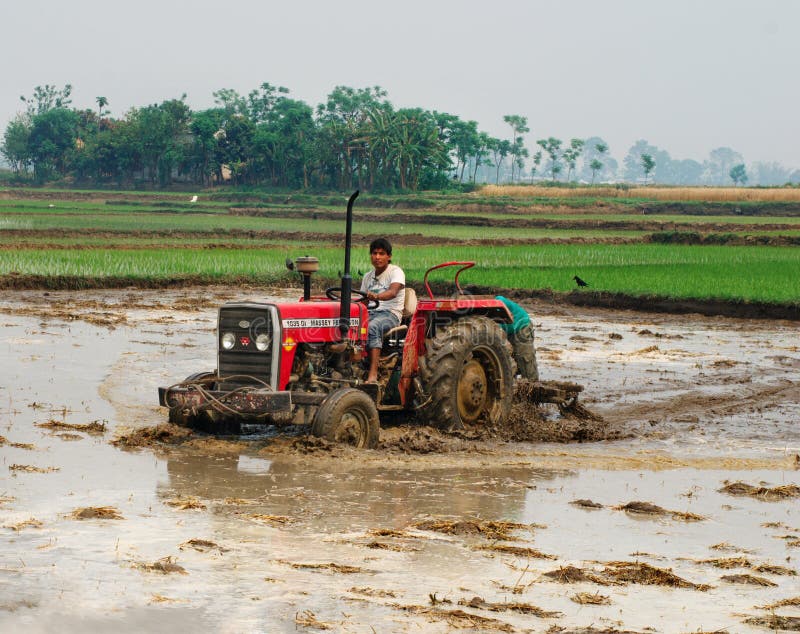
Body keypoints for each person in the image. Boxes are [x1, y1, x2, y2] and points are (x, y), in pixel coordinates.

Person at [360, 238, 405, 383]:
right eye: (374, 253)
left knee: (372, 327)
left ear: (389, 256)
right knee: (349, 325)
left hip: (390, 314)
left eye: (382, 253)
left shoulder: (396, 272)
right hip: (371, 313)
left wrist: (377, 296)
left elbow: (392, 292)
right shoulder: (368, 276)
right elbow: (362, 301)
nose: (377, 257)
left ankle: (372, 375)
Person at [496, 295, 539, 381]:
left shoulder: (498, 301)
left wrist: (507, 311)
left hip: (522, 327)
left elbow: (500, 300)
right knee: (510, 361)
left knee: (525, 359)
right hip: (508, 331)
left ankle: (533, 386)